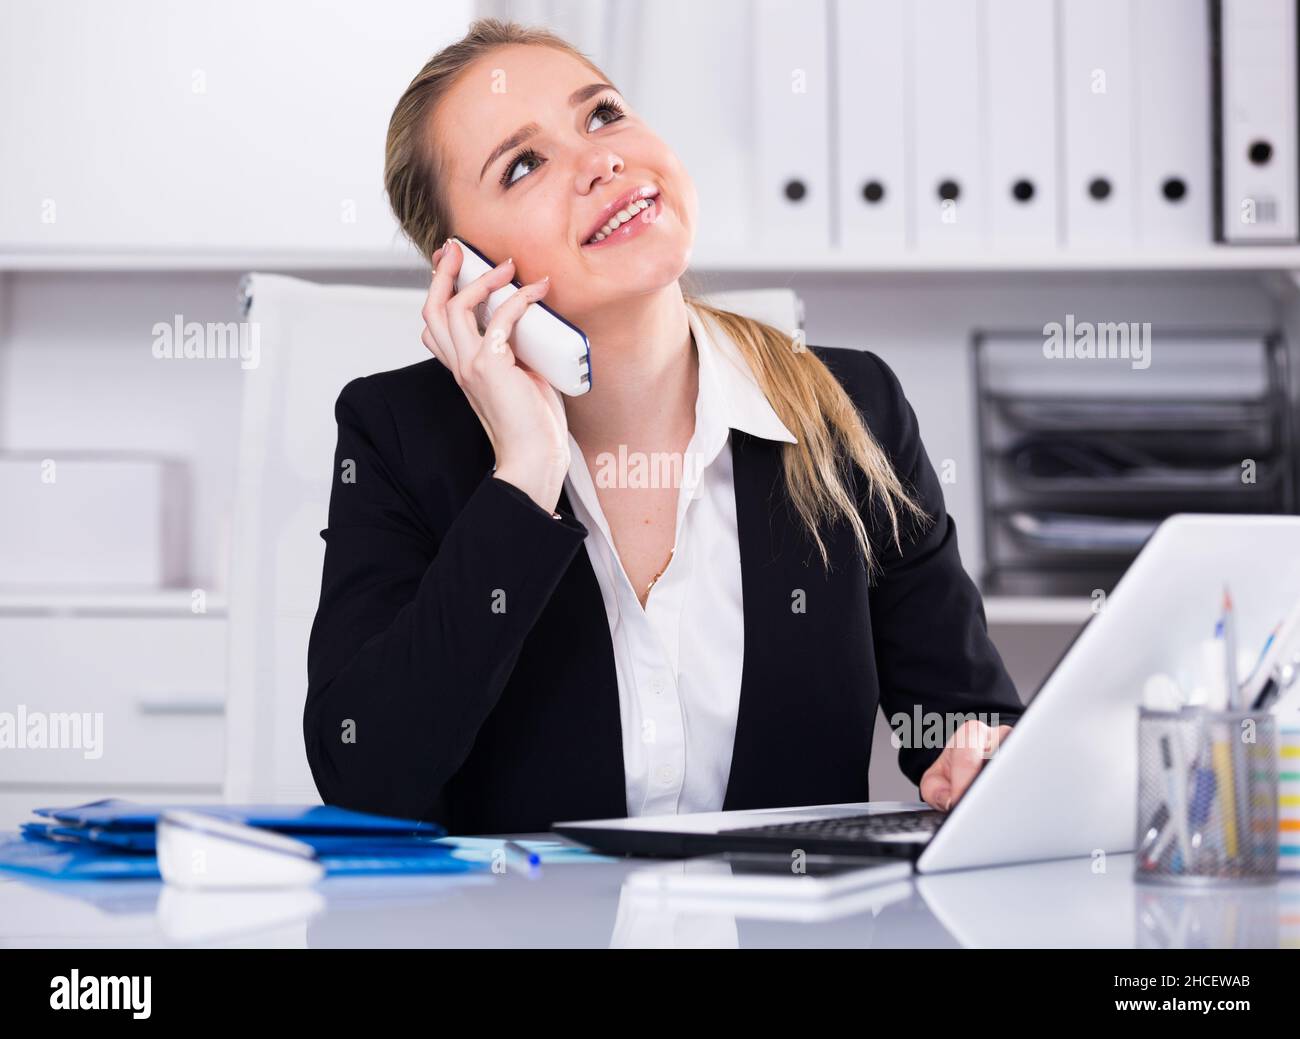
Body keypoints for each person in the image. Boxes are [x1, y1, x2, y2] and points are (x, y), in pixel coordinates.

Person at [304, 18, 1022, 834]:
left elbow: (965, 724)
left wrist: (981, 756)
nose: (601, 161)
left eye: (602, 114)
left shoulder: (848, 409)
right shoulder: (398, 436)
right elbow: (364, 777)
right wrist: (526, 476)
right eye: (525, 164)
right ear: (463, 268)